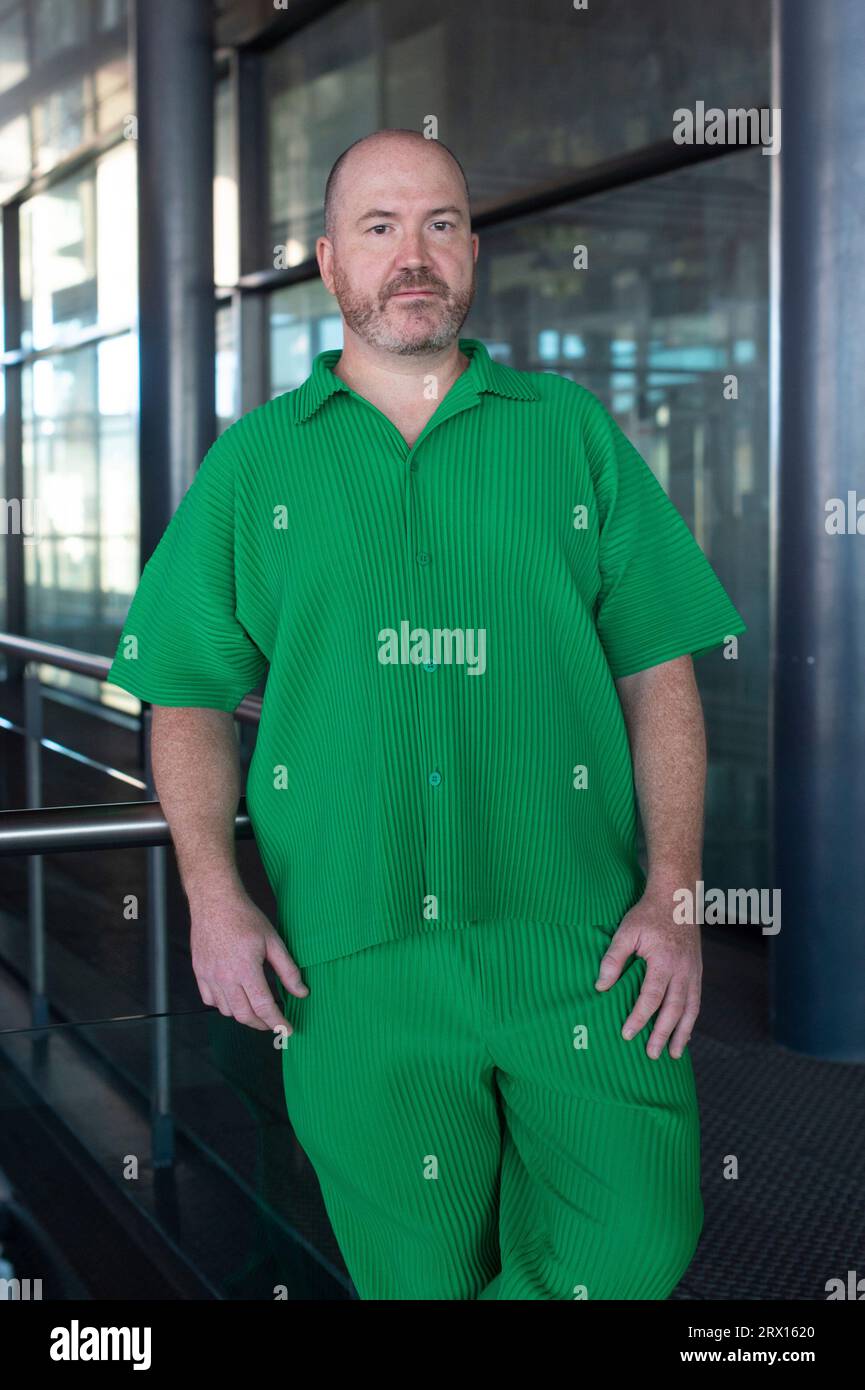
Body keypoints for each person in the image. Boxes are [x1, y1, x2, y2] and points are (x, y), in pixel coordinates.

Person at [107, 127, 747, 1300]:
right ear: (327, 262)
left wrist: (674, 895)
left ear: (472, 251)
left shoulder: (571, 433)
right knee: (414, 1274)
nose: (416, 255)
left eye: (441, 224)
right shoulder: (254, 466)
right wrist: (211, 894)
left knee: (637, 1238)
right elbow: (186, 695)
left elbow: (658, 675)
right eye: (380, 227)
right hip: (349, 956)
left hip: (582, 938)